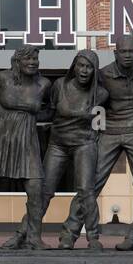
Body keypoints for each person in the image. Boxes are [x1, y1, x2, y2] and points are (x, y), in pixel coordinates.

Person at [60, 33, 133, 251]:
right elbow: (88, 97)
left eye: (132, 51)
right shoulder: (102, 75)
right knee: (90, 184)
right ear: (115, 53)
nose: (128, 55)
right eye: (123, 51)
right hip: (108, 132)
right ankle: (69, 234)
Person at [0, 45, 53, 249]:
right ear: (17, 61)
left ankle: (33, 236)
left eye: (35, 59)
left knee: (36, 188)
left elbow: (50, 110)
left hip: (27, 139)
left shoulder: (44, 84)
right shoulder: (3, 78)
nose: (32, 62)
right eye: (28, 58)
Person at [40, 50, 110, 251]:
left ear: (95, 71)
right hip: (57, 144)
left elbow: (99, 124)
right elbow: (50, 112)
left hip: (84, 143)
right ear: (74, 66)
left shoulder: (101, 94)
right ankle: (28, 233)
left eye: (89, 67)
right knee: (44, 191)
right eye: (81, 65)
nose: (84, 70)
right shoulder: (59, 85)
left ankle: (93, 237)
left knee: (86, 190)